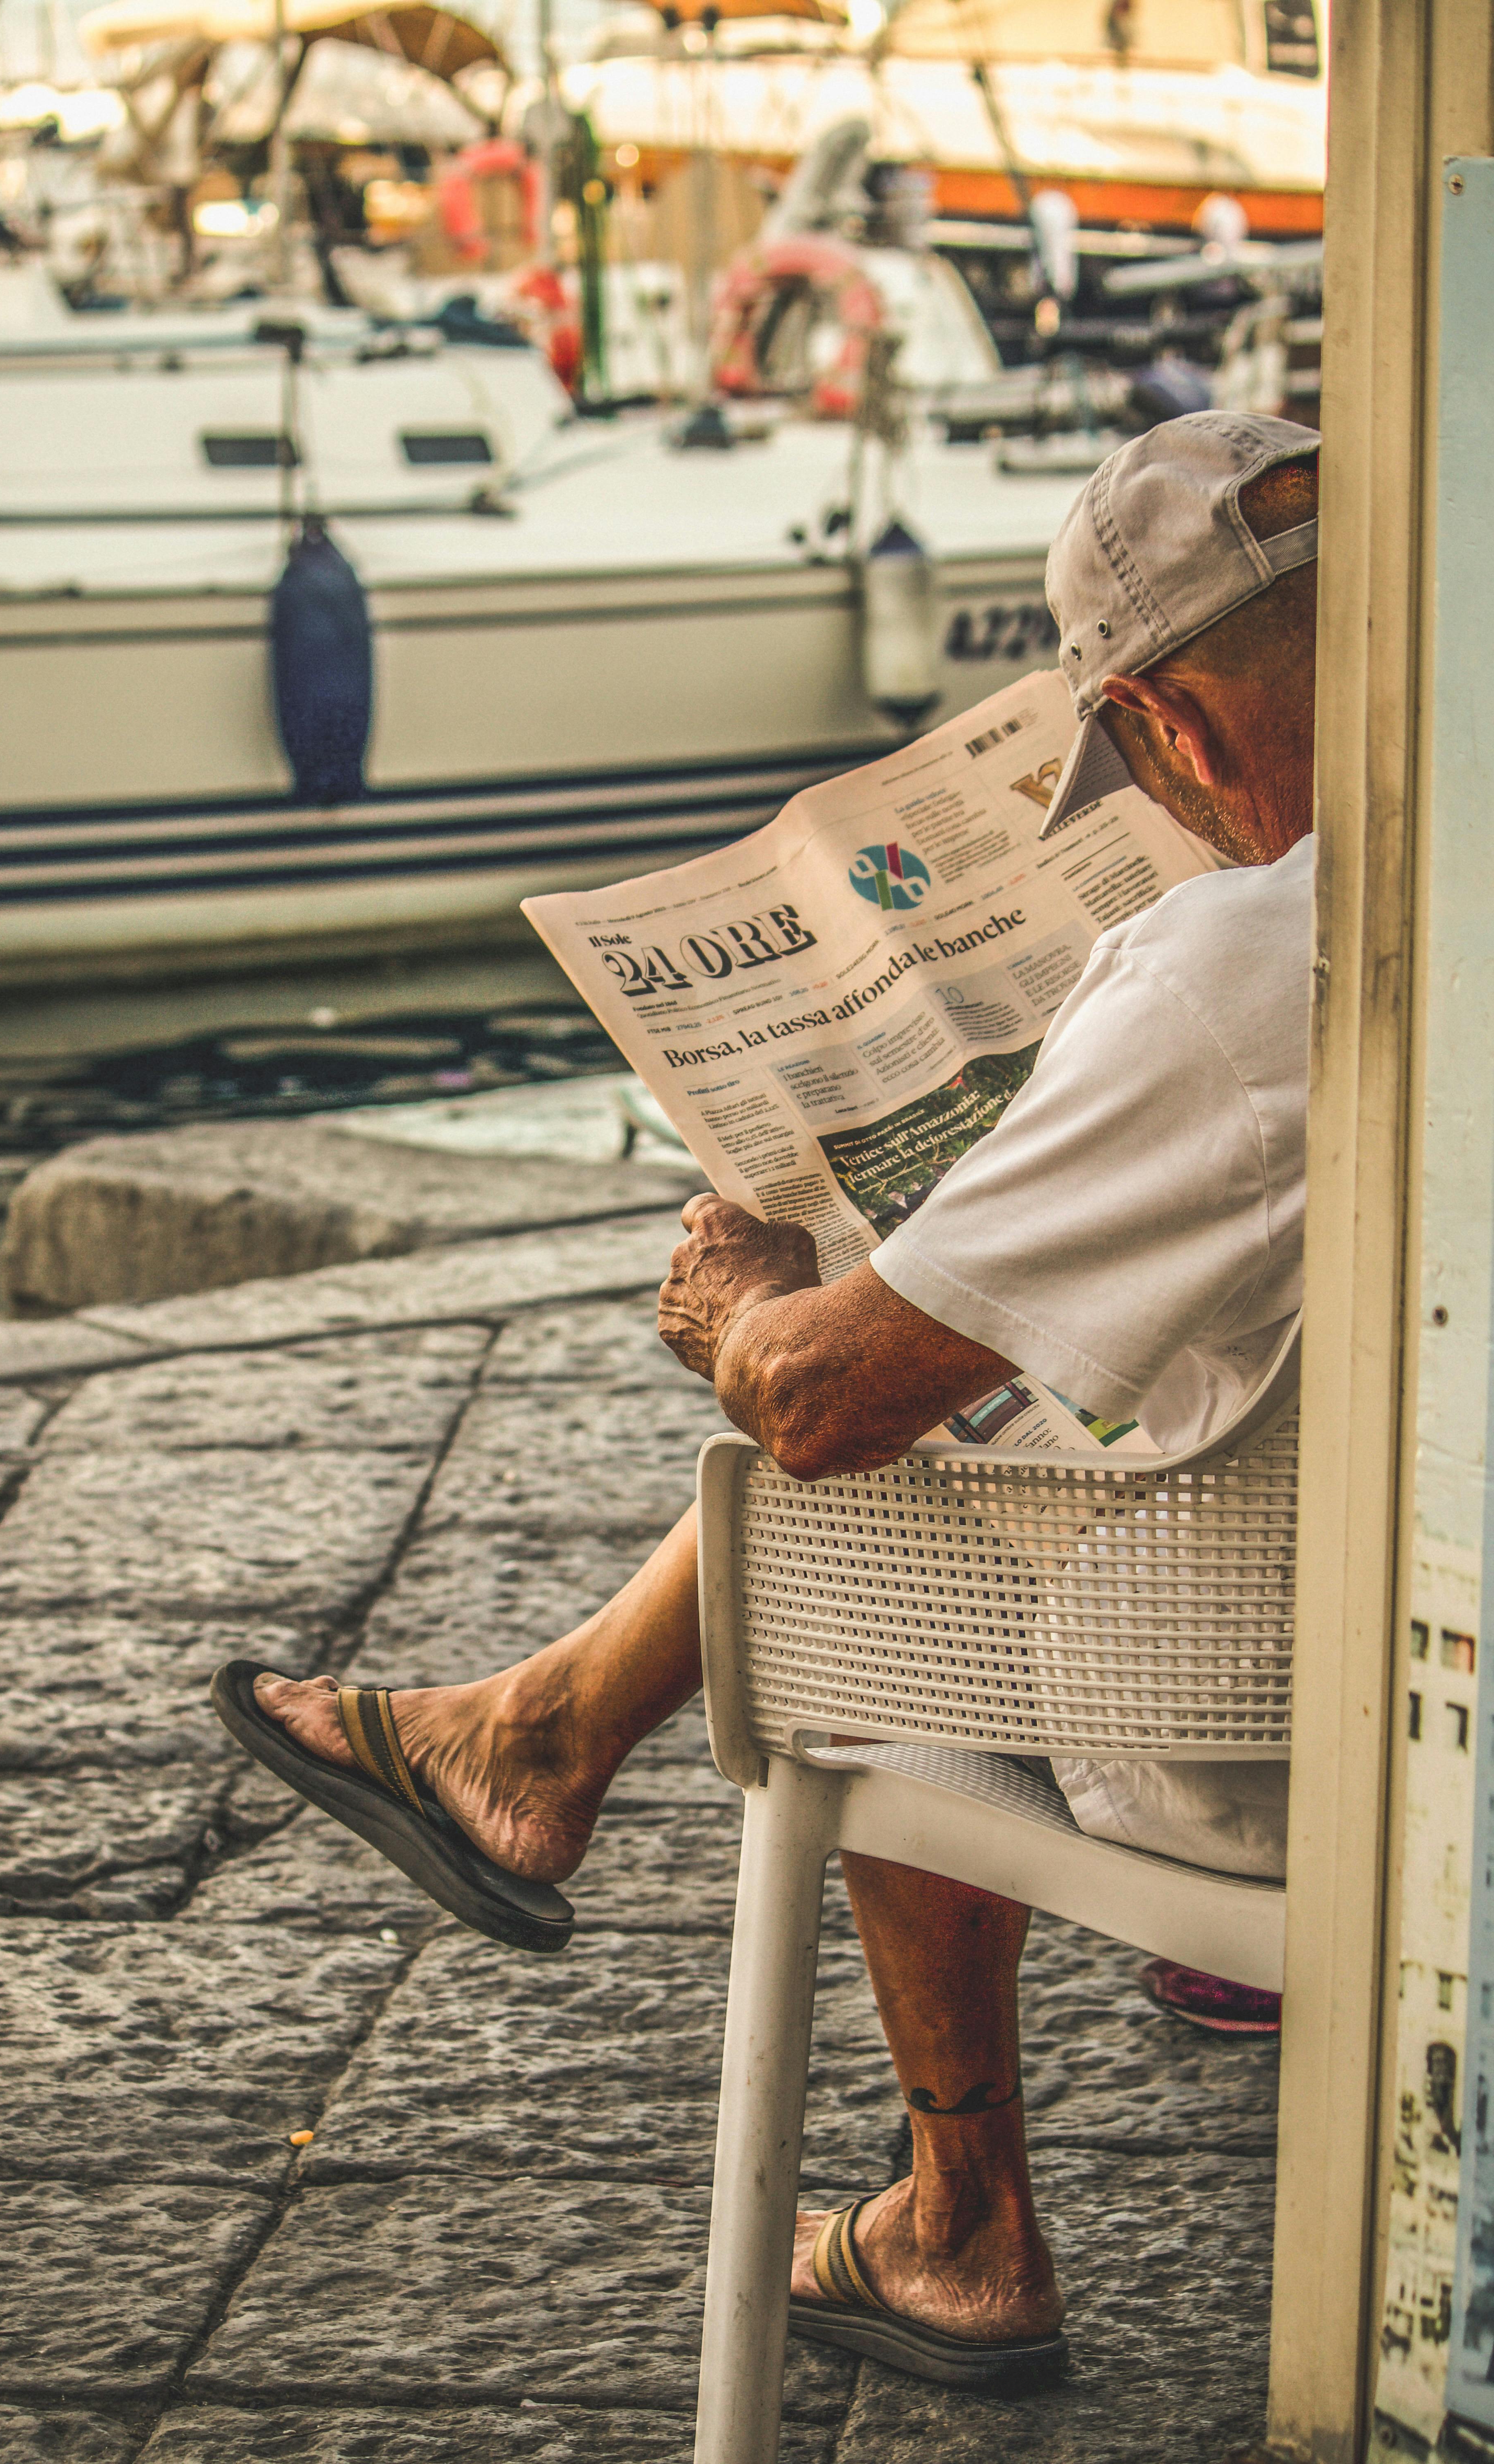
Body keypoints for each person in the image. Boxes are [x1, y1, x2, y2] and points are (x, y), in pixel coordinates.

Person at [214, 409, 1318, 2388]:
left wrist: (745, 1302)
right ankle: (532, 1741)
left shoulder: (1246, 965)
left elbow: (818, 1403)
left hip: (1294, 1759)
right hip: (1420, 1639)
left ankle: (954, 2218)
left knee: (852, 1471)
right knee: (980, 1409)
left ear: (1183, 732)